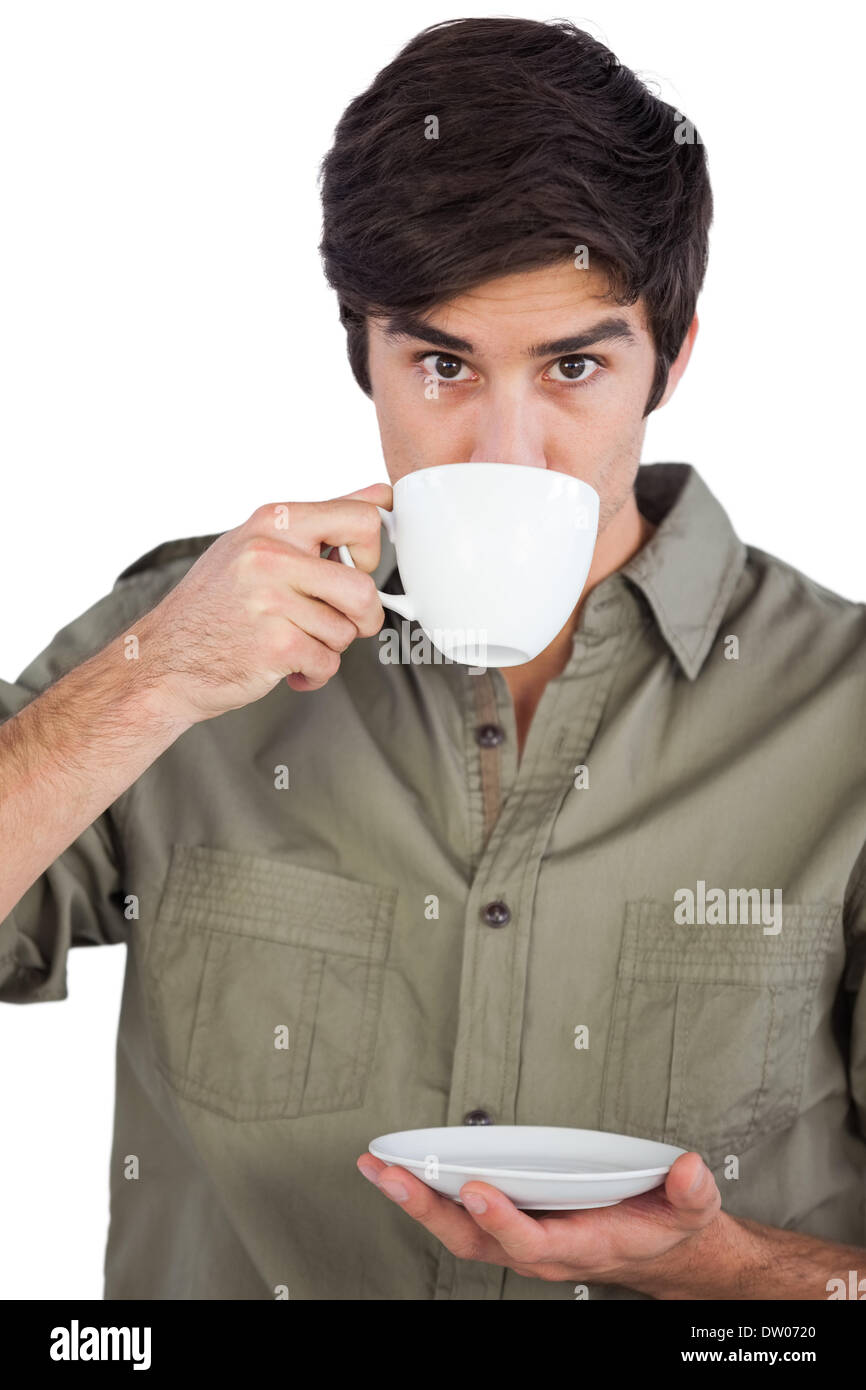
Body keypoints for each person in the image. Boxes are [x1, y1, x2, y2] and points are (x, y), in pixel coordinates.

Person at [2, 16, 864, 1301]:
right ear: (362, 350)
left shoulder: (841, 710)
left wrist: (737, 1271)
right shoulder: (184, 635)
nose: (501, 452)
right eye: (442, 364)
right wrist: (152, 678)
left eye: (573, 363)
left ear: (669, 359)